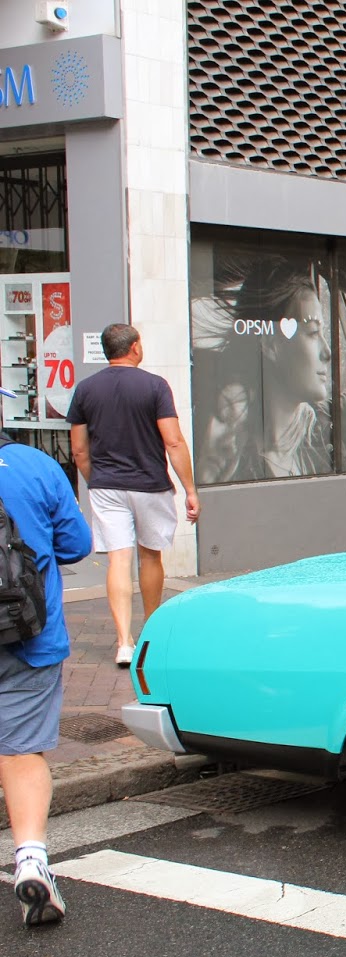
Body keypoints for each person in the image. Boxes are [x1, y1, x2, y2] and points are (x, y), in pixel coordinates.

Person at [193, 252, 346, 481]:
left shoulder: (326, 420)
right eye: (312, 333)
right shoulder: (231, 454)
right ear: (271, 344)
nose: (327, 352)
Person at [0, 387, 93, 925]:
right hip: (28, 634)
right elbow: (77, 545)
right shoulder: (36, 465)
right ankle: (32, 859)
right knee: (21, 752)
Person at [66, 325, 200, 667]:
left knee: (118, 560)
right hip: (150, 484)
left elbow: (79, 450)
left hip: (106, 486)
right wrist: (190, 489)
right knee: (150, 556)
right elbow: (173, 441)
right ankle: (150, 635)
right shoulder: (155, 386)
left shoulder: (85, 389)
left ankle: (123, 642)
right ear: (135, 347)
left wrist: (96, 481)